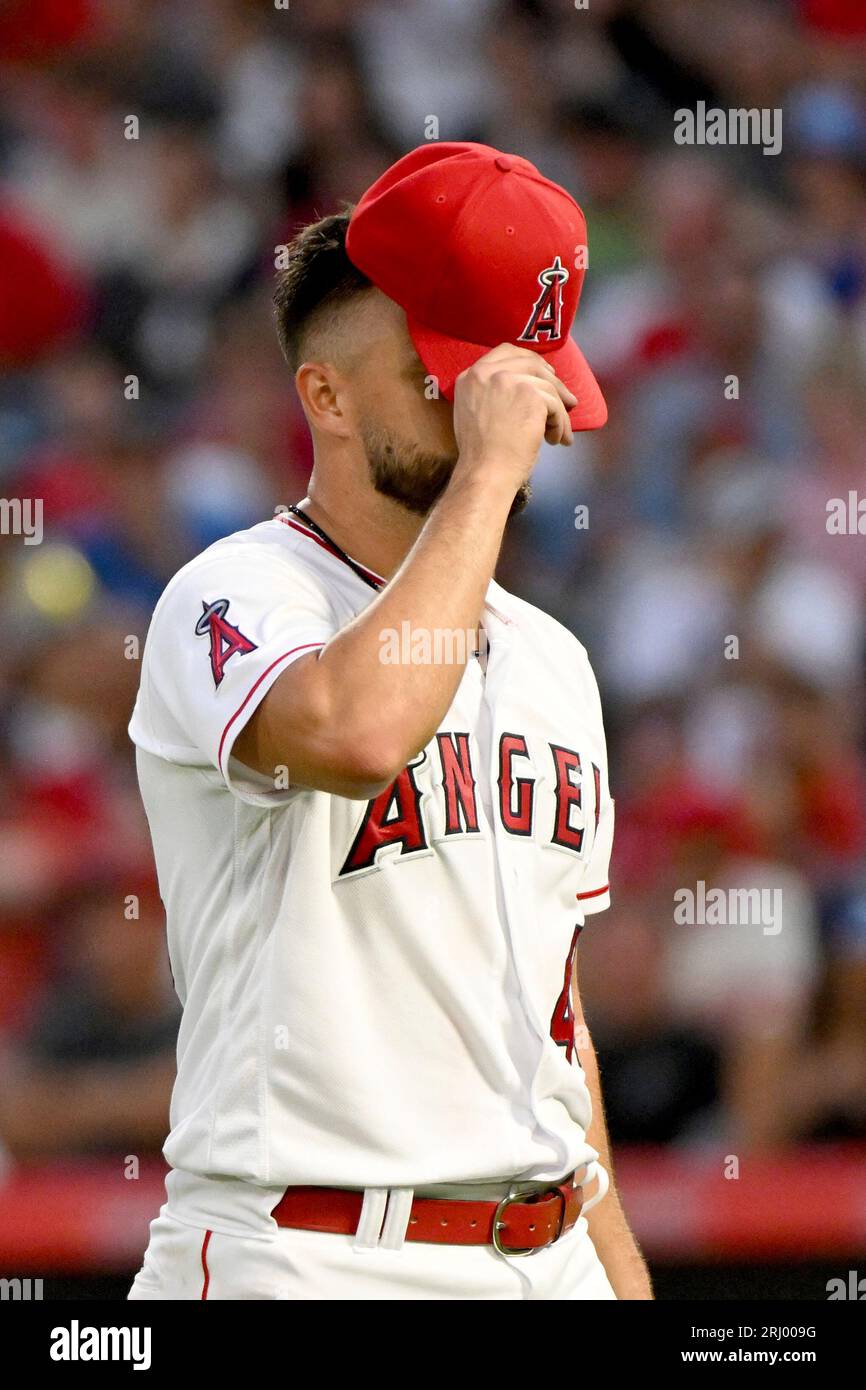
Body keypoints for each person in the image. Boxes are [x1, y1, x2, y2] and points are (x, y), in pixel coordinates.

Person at [127, 142, 651, 1300]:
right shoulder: (234, 594)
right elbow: (358, 733)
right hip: (309, 1255)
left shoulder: (553, 660)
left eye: (522, 370)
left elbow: (559, 1037)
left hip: (546, 1252)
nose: (507, 408)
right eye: (456, 374)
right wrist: (481, 473)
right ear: (325, 394)